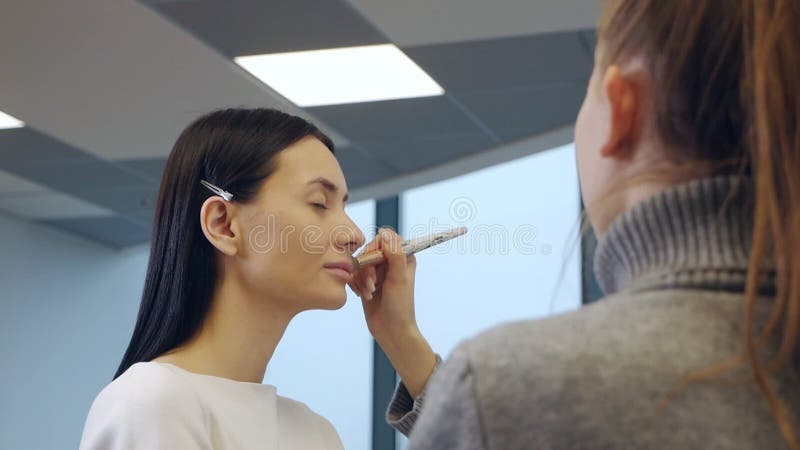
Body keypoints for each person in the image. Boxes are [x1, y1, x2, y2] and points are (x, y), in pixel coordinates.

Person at [348, 0, 800, 448]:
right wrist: (403, 337)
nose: (348, 233)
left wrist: (477, 399)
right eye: (318, 201)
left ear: (622, 109)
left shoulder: (505, 383)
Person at [79, 108, 368, 449]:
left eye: (343, 207)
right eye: (319, 203)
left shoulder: (314, 431)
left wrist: (401, 337)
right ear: (223, 225)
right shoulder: (153, 401)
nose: (355, 234)